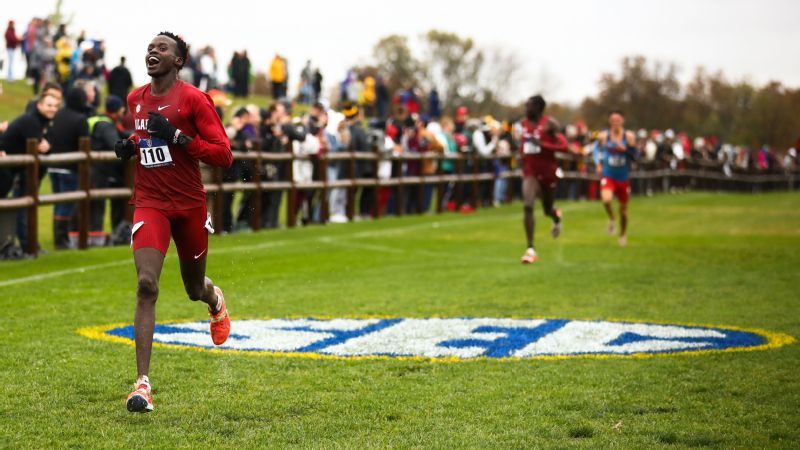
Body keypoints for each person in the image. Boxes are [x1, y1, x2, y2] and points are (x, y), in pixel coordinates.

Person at [115, 32, 232, 413]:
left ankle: (214, 299)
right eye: (150, 46)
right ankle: (142, 385)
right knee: (146, 284)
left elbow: (223, 156)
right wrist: (131, 145)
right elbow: (143, 135)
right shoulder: (135, 99)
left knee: (193, 287)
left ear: (178, 61)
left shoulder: (195, 100)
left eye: (162, 48)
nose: (153, 50)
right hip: (150, 203)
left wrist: (180, 137)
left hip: (189, 206)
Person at [0, 92, 59, 252]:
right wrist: (46, 144)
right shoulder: (31, 120)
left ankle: (15, 246)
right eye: (49, 105)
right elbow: (40, 147)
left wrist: (48, 144)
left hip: (10, 172)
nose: (52, 109)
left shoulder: (43, 122)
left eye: (55, 106)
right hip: (5, 170)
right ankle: (22, 245)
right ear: (39, 105)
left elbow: (48, 145)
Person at [518, 95, 568, 264]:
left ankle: (556, 216)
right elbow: (522, 144)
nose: (526, 110)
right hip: (530, 172)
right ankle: (530, 249)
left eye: (528, 107)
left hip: (548, 173)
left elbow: (564, 146)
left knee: (547, 209)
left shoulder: (550, 124)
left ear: (539, 108)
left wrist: (543, 146)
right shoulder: (522, 124)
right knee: (528, 204)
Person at [46, 86, 90, 249]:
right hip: (70, 168)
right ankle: (61, 241)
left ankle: (59, 238)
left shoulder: (57, 114)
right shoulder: (80, 119)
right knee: (66, 205)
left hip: (52, 166)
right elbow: (84, 145)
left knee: (58, 202)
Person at [88, 95, 129, 241]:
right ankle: (95, 237)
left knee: (96, 203)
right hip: (99, 171)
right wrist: (130, 147)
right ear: (118, 110)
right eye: (122, 109)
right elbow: (116, 143)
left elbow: (122, 134)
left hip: (94, 169)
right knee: (97, 204)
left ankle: (95, 235)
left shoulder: (98, 119)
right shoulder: (107, 125)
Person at [594, 111, 637, 247]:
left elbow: (635, 156)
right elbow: (595, 150)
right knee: (606, 200)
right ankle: (612, 219)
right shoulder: (604, 136)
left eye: (618, 120)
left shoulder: (629, 136)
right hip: (609, 175)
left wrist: (625, 149)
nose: (615, 123)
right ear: (609, 121)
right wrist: (598, 163)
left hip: (623, 177)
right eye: (613, 120)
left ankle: (623, 234)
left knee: (623, 211)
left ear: (622, 121)